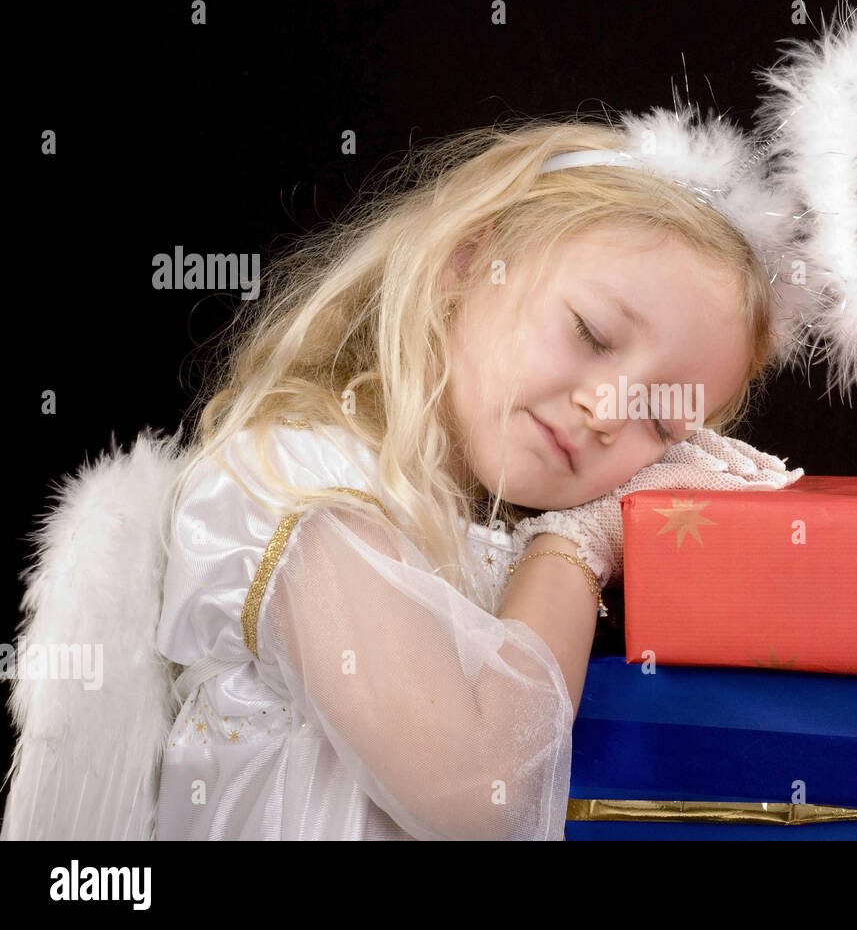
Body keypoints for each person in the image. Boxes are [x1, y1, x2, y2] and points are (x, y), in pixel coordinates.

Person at [151, 117, 804, 840]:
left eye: (661, 421)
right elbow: (476, 795)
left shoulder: (497, 531)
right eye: (590, 333)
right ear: (468, 258)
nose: (606, 410)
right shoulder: (304, 484)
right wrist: (580, 540)